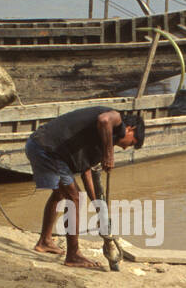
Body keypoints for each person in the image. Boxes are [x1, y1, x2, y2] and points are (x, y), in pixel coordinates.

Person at [25, 105, 145, 269]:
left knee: (61, 194)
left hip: (39, 145)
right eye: (131, 143)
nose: (125, 147)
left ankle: (44, 241)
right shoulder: (115, 118)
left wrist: (99, 208)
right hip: (46, 149)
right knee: (75, 198)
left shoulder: (100, 141)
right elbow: (104, 120)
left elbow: (86, 173)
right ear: (131, 129)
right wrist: (109, 155)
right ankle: (73, 255)